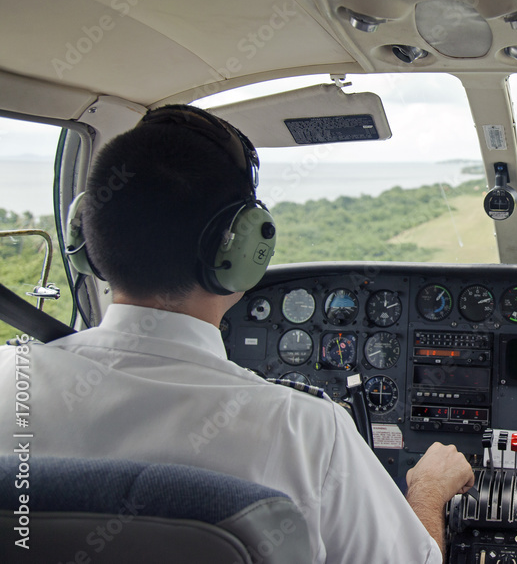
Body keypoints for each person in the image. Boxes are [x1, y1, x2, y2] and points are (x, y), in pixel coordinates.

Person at [0, 105, 474, 562]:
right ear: (248, 245)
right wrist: (427, 491)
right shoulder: (307, 432)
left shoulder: (8, 379)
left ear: (85, 235)